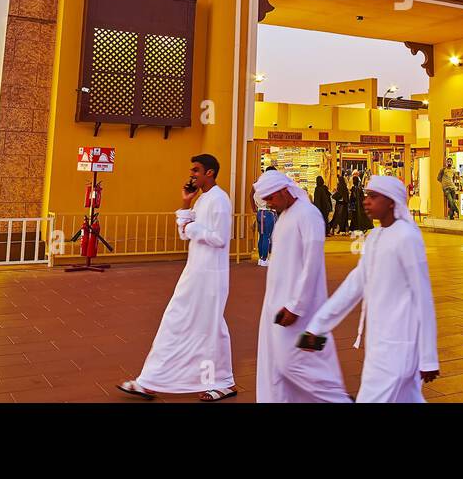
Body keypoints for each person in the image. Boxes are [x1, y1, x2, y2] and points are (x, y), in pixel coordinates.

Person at [301, 175, 439, 402]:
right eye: (367, 196)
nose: (366, 201)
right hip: (379, 343)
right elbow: (354, 285)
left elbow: (423, 297)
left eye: (373, 197)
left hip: (399, 346)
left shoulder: (407, 237)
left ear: (392, 201)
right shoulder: (375, 236)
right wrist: (318, 325)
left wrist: (428, 357)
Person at [119, 154, 237, 401]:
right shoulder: (202, 199)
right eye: (192, 170)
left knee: (209, 326)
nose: (192, 174)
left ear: (210, 173)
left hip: (211, 276)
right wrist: (186, 203)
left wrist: (191, 228)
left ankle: (223, 382)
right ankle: (150, 380)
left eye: (197, 170)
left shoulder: (220, 200)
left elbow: (220, 237)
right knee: (183, 321)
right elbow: (184, 232)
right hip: (195, 272)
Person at [252, 170, 352, 403]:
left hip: (301, 310)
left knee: (298, 365)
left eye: (271, 199)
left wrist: (296, 306)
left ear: (284, 191)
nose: (270, 204)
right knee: (276, 366)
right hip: (277, 306)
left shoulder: (308, 214)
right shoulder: (285, 216)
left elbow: (312, 263)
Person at [255, 191, 276, 267]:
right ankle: (264, 259)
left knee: (261, 236)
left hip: (260, 212)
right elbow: (270, 202)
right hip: (267, 213)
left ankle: (261, 258)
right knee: (266, 236)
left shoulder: (257, 192)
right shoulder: (266, 191)